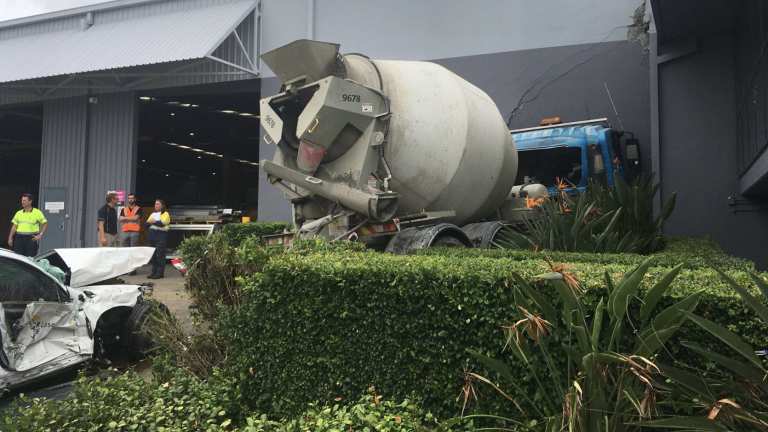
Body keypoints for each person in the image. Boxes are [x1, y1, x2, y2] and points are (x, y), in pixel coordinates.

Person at [146, 199, 170, 279]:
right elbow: (146, 224)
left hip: (161, 235)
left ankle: (160, 273)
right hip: (152, 235)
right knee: (153, 255)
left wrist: (153, 222)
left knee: (160, 255)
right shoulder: (153, 214)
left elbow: (162, 224)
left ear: (162, 205)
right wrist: (155, 222)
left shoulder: (166, 214)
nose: (156, 205)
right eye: (155, 204)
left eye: (158, 204)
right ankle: (154, 272)